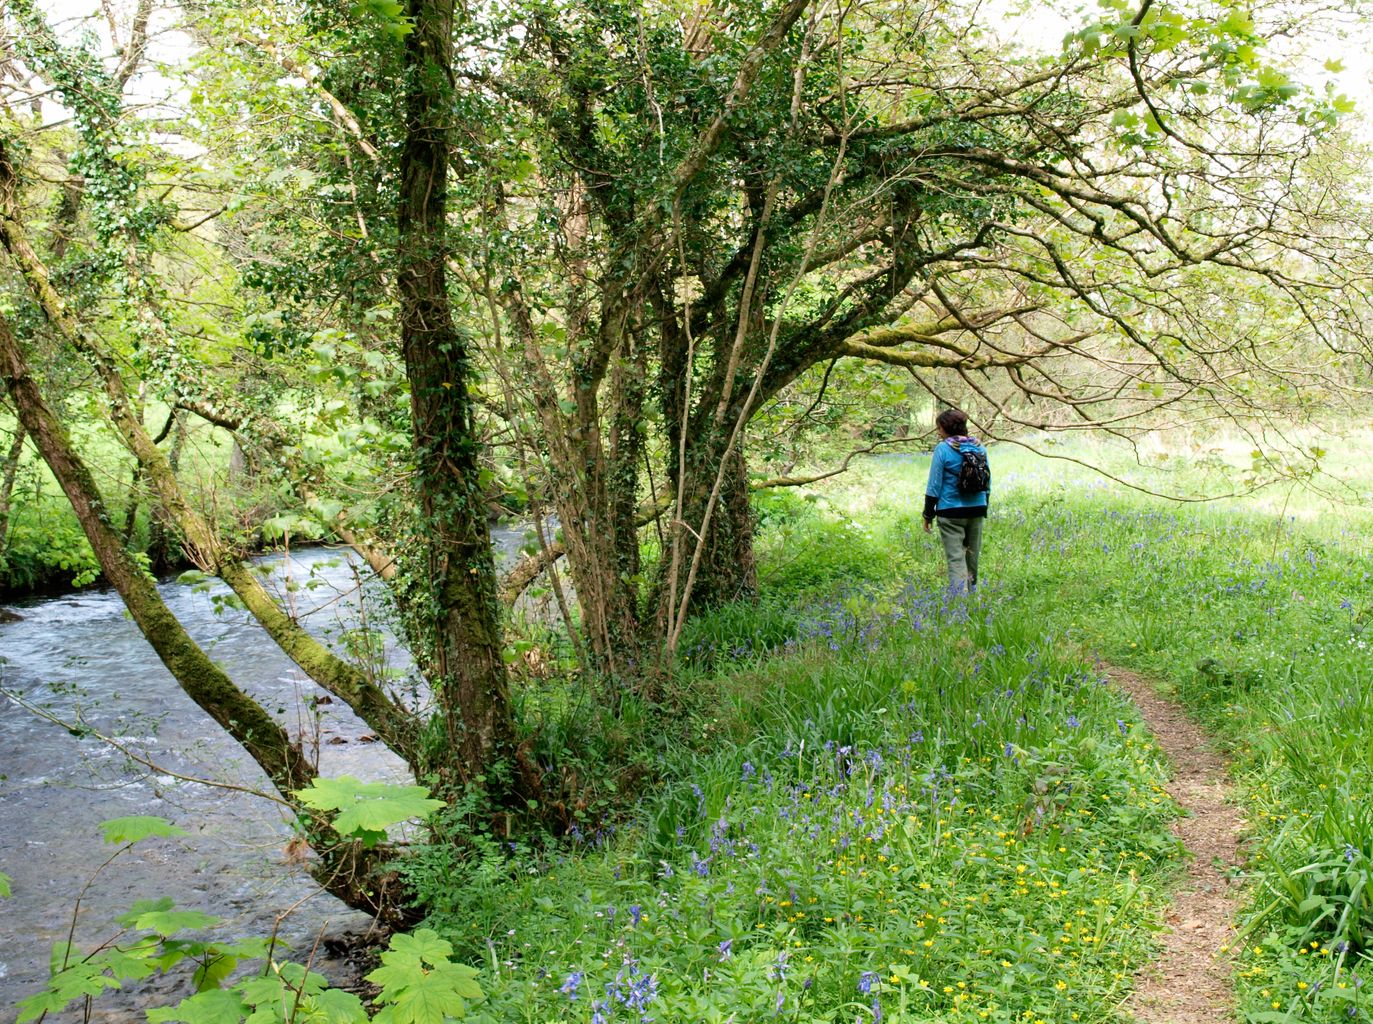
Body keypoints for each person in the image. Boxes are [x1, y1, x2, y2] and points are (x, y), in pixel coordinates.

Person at [922, 408, 989, 593]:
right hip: (977, 509)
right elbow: (987, 481)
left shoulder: (943, 449)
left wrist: (928, 515)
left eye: (939, 428)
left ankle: (960, 603)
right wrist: (984, 507)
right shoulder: (980, 447)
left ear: (946, 428)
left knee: (956, 558)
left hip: (950, 512)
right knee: (972, 556)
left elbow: (934, 485)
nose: (938, 432)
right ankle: (972, 596)